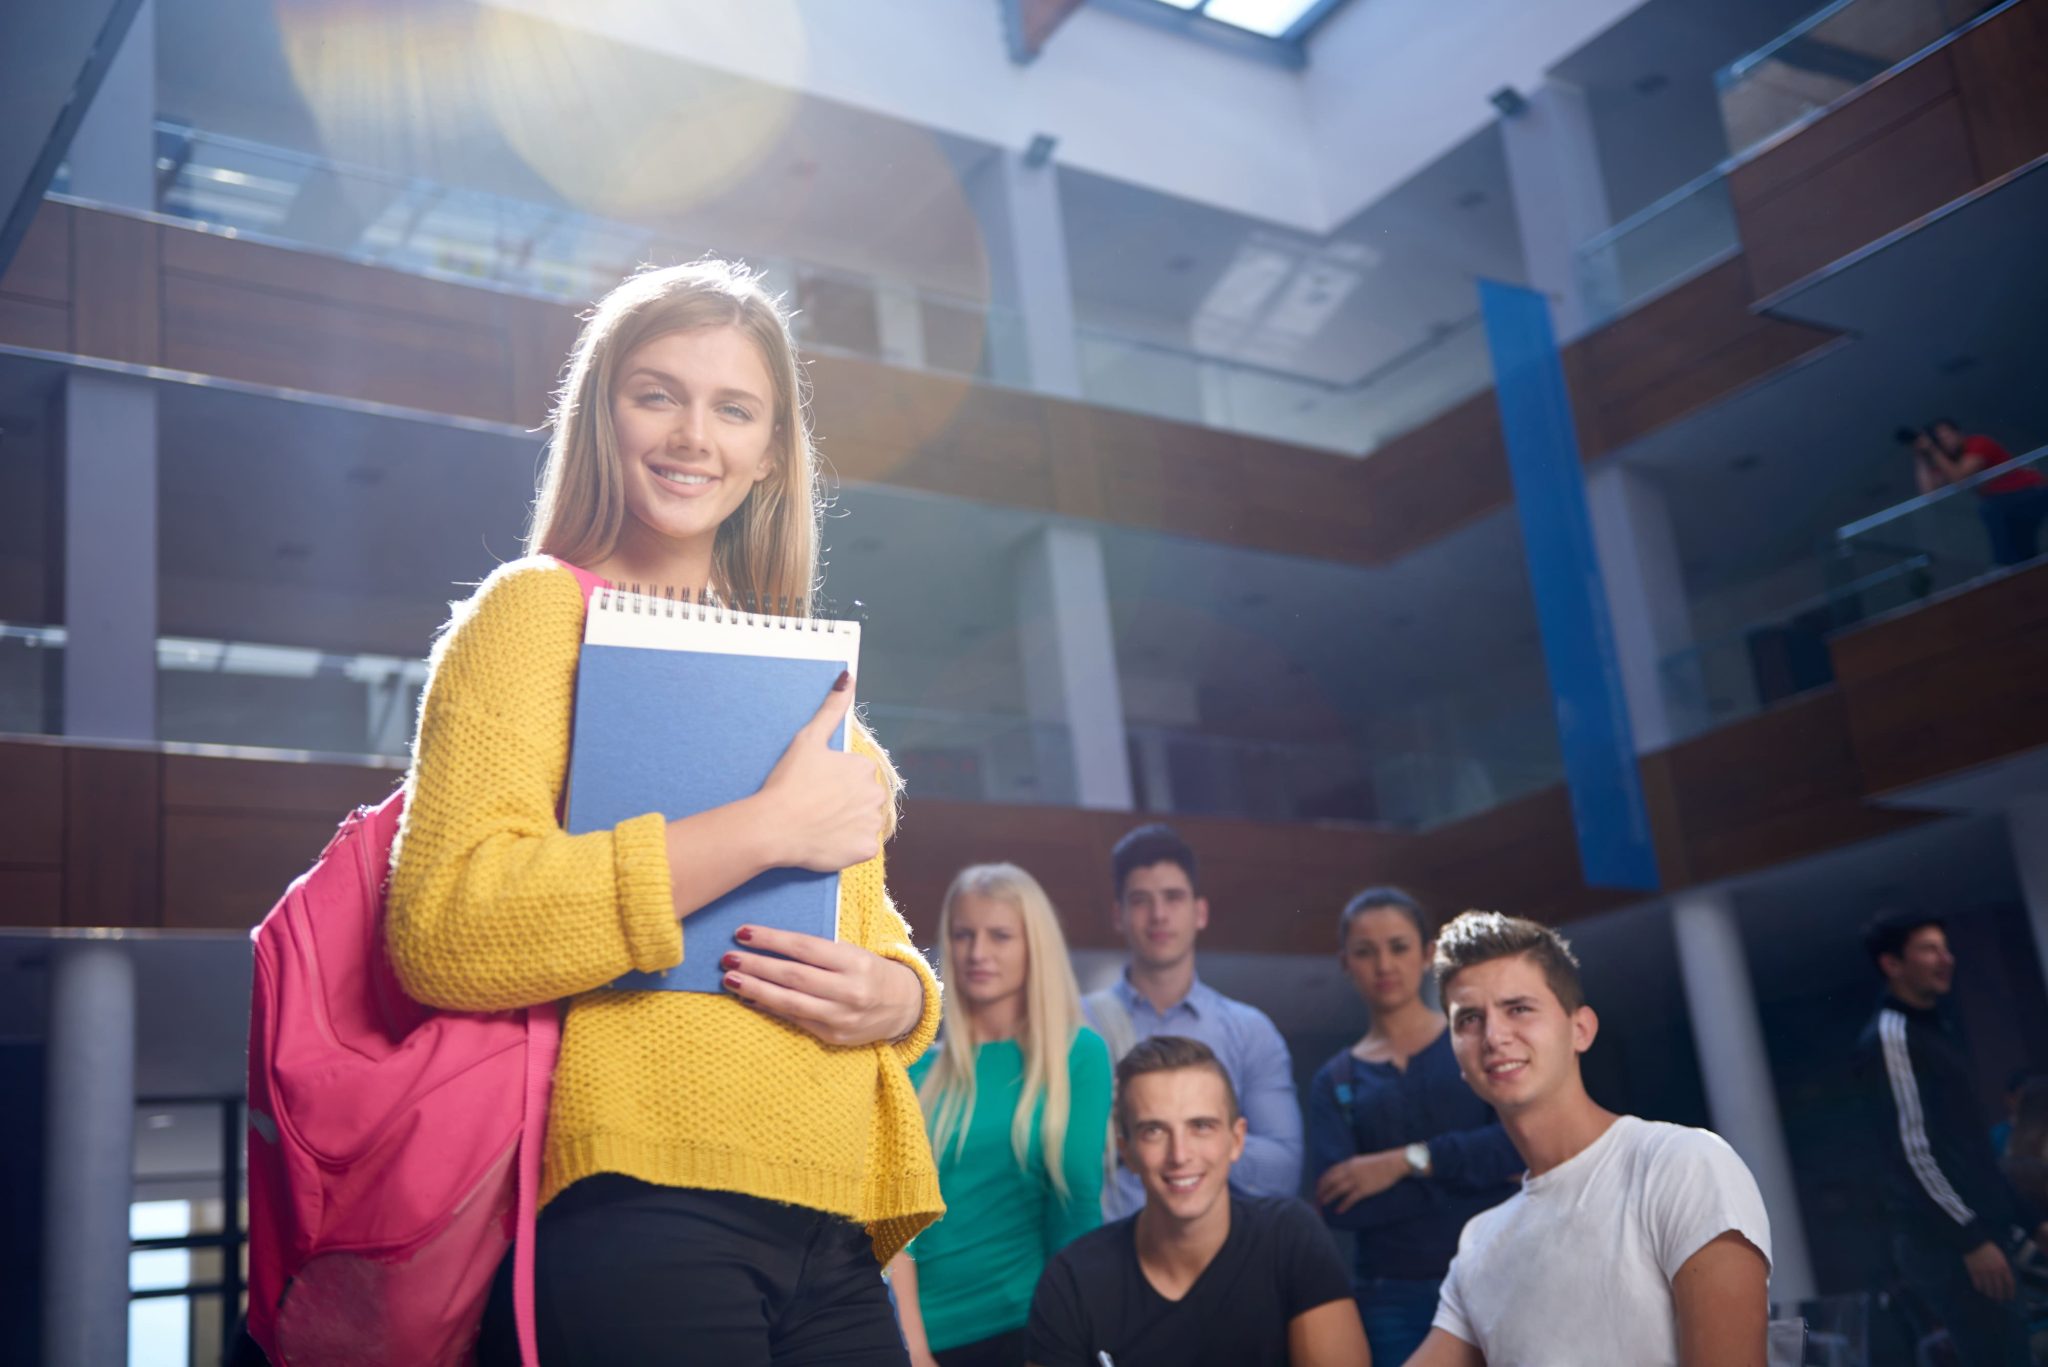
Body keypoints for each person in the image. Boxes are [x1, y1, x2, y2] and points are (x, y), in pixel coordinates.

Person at [384, 260, 945, 1366]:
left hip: (835, 1220)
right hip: (642, 1199)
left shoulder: (798, 671)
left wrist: (900, 997)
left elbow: (869, 934)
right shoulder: (534, 614)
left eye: (733, 408)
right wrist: (765, 827)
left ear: (771, 450)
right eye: (658, 395)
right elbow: (445, 925)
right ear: (604, 413)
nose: (694, 435)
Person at [1406, 911, 1773, 1367]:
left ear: (1580, 1029)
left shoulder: (1683, 1163)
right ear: (1456, 1054)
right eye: (1469, 1019)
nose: (1494, 1036)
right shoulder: (1480, 1242)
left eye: (1518, 1008)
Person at [887, 865, 1115, 1367]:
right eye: (963, 935)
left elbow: (1077, 1210)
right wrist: (914, 1349)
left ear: (1035, 946)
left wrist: (1073, 1335)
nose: (977, 952)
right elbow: (894, 1224)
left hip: (1034, 1326)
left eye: (1000, 935)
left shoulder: (1078, 1056)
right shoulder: (913, 1070)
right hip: (927, 1335)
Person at [1025, 1036, 1368, 1367]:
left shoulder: (1290, 1238)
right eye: (1154, 1131)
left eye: (1201, 1126)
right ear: (1126, 1152)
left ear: (1236, 1140)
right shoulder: (1074, 1279)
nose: (1180, 1155)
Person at [1307, 888, 1520, 1365]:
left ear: (1428, 954)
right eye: (1366, 951)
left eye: (1398, 947)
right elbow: (1340, 1204)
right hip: (1392, 1298)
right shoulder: (1335, 1080)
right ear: (1345, 963)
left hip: (1498, 1273)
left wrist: (1401, 1163)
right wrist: (1469, 1176)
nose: (1384, 964)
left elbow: (1512, 1148)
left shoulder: (1476, 1044)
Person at [1852, 908, 2043, 1365]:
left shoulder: (1934, 1029)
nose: (1946, 959)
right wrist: (1969, 1237)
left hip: (1979, 1230)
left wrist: (2030, 1219)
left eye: (1945, 948)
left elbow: (1973, 1153)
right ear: (1892, 964)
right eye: (1929, 950)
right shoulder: (1893, 1037)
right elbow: (1912, 1153)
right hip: (1947, 1241)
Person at [1082, 823, 1302, 1218]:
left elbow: (1282, 1168)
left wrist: (1155, 1135)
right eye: (1141, 900)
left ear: (1200, 912)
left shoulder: (1249, 1030)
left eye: (1173, 897)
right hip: (1105, 1243)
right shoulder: (1076, 1025)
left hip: (1220, 1246)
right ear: (1118, 915)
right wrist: (1210, 1133)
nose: (1159, 915)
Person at [1927, 418, 2048, 566]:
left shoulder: (1978, 443)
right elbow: (1930, 493)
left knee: (1989, 511)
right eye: (1940, 440)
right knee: (2022, 549)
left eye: (1948, 436)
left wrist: (1934, 451)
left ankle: (2002, 564)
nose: (1946, 441)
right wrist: (1921, 456)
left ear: (1958, 433)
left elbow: (1961, 477)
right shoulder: (1948, 461)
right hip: (2008, 507)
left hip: (2031, 492)